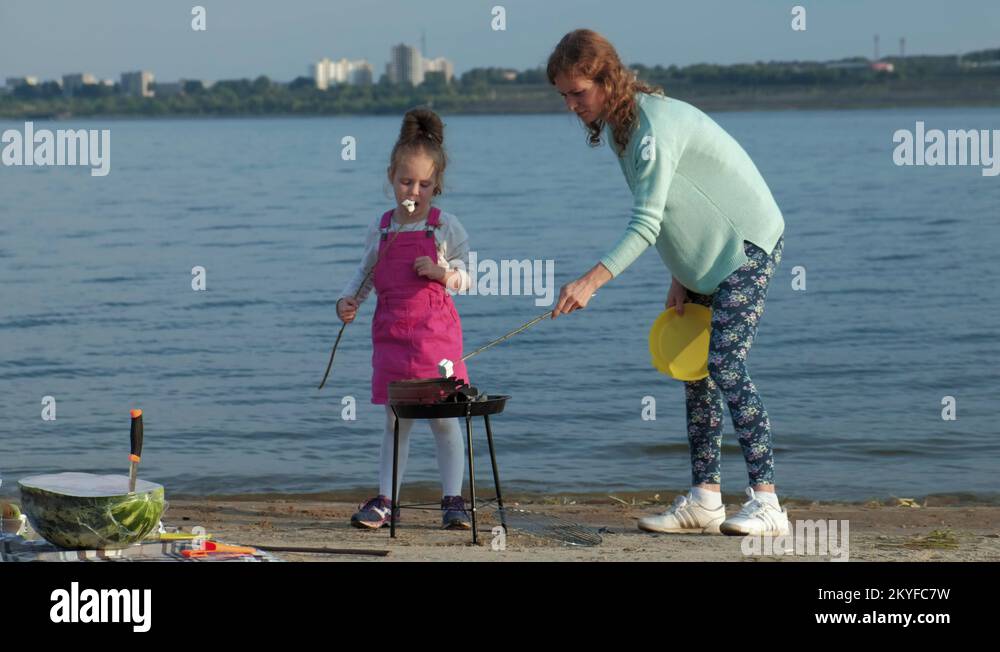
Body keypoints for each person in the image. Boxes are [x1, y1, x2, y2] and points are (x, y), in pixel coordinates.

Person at [547, 29, 788, 536]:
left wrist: (590, 282)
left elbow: (646, 222)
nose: (570, 105)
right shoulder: (622, 129)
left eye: (578, 92)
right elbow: (677, 205)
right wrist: (680, 273)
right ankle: (705, 499)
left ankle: (768, 504)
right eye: (564, 95)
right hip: (704, 258)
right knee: (693, 372)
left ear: (607, 79)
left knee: (724, 364)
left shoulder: (651, 126)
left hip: (746, 245)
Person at [337, 108, 473, 530]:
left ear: (437, 185)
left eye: (424, 184)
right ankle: (386, 501)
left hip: (436, 339)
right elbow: (365, 274)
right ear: (391, 177)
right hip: (392, 336)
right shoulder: (381, 229)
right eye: (405, 181)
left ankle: (452, 501)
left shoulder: (443, 227)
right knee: (396, 421)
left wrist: (443, 273)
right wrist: (349, 301)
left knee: (444, 422)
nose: (413, 191)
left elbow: (468, 277)